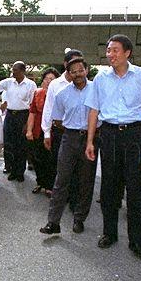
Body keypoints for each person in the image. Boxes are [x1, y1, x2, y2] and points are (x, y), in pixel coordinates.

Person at [85, 34, 141, 260]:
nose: (110, 55)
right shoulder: (100, 78)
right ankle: (110, 233)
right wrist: (90, 140)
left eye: (115, 50)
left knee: (135, 189)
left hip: (133, 135)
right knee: (108, 187)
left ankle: (136, 241)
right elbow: (93, 111)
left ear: (127, 52)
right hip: (108, 134)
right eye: (108, 50)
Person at [40, 57, 98, 234]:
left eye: (81, 70)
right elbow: (56, 119)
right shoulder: (62, 93)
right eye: (73, 71)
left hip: (92, 139)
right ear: (69, 73)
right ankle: (53, 222)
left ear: (86, 70)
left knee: (85, 180)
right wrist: (72, 128)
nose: (78, 74)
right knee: (61, 180)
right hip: (69, 138)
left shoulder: (98, 90)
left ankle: (79, 219)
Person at [41, 50, 84, 187]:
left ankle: (74, 199)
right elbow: (48, 109)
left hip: (81, 133)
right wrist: (46, 133)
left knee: (79, 169)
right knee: (60, 166)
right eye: (74, 63)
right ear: (66, 64)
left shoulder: (88, 85)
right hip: (61, 132)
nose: (77, 68)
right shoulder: (55, 84)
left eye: (80, 64)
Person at [0, 61, 37, 182]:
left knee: (21, 145)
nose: (13, 72)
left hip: (23, 115)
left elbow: (32, 104)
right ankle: (11, 169)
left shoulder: (31, 84)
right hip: (10, 115)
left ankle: (20, 171)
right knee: (10, 143)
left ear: (22, 71)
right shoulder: (8, 82)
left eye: (15, 70)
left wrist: (28, 123)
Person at [27, 68, 59, 195]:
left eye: (52, 79)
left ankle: (50, 185)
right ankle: (40, 182)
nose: (48, 81)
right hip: (37, 131)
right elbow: (32, 113)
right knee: (37, 158)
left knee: (51, 160)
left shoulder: (59, 94)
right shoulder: (38, 93)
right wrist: (29, 130)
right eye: (46, 79)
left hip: (53, 132)